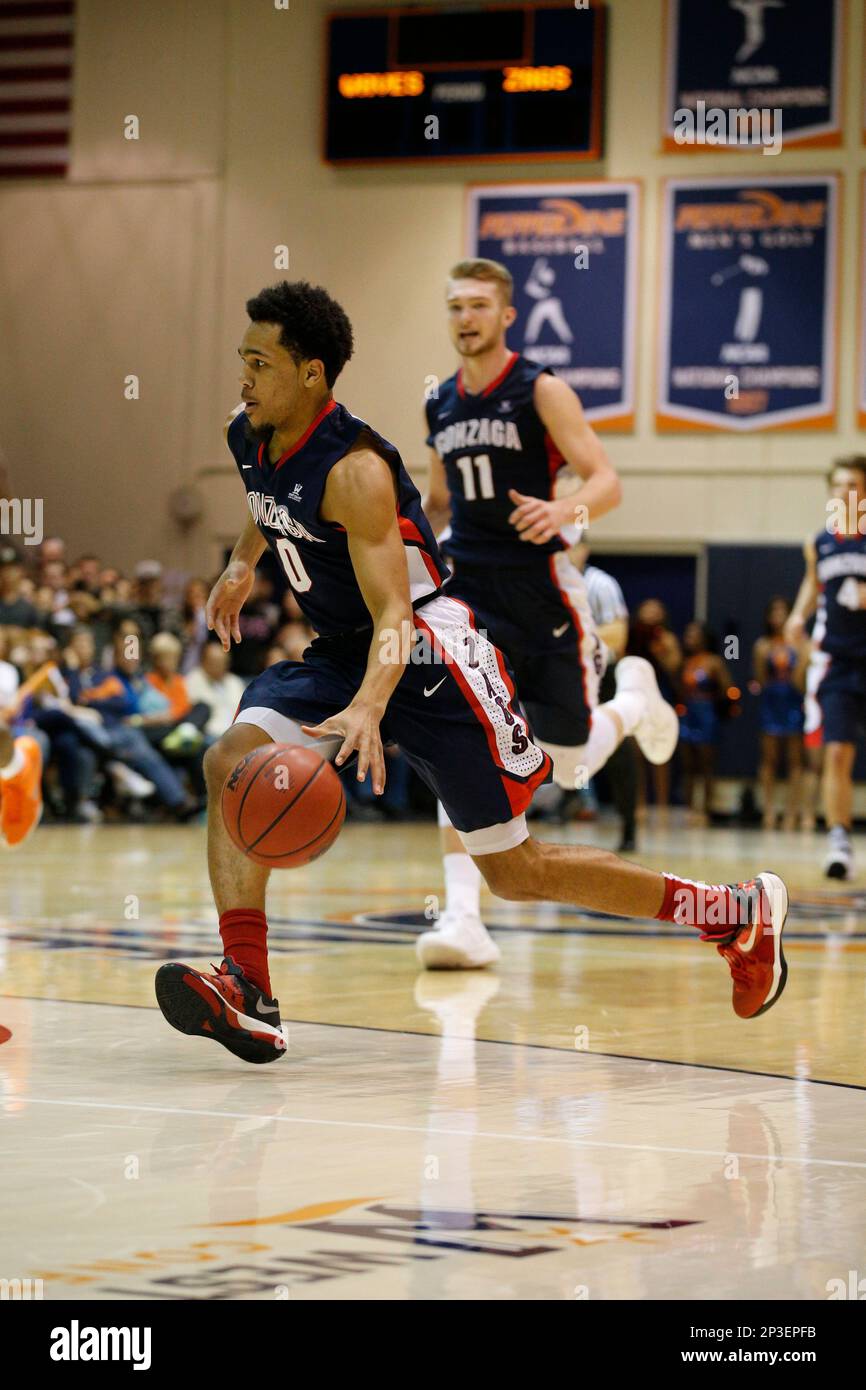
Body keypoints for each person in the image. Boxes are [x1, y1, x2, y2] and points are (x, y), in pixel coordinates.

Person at [152, 280, 789, 1066]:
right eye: (241, 359)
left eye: (260, 361)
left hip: (432, 654)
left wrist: (367, 709)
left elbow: (397, 617)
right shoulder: (248, 432)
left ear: (312, 373)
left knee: (516, 872)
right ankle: (249, 985)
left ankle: (732, 913)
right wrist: (240, 566)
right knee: (228, 759)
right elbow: (266, 494)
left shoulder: (356, 470)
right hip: (343, 649)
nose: (243, 376)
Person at [416, 258, 678, 968]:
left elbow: (607, 480)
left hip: (540, 589)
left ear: (506, 315)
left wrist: (568, 508)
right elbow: (437, 500)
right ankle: (464, 920)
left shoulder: (541, 388)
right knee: (460, 743)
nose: (464, 317)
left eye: (477, 305)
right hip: (469, 589)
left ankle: (630, 701)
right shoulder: (440, 403)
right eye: (454, 305)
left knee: (566, 769)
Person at [785, 456, 866, 878]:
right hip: (838, 660)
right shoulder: (820, 541)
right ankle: (839, 841)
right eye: (837, 485)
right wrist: (799, 615)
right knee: (836, 751)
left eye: (852, 483)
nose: (844, 492)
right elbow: (812, 583)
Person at [574, 544, 638, 852]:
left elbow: (618, 636)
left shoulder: (600, 584)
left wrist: (567, 636)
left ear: (583, 549)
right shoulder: (540, 580)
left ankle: (629, 827)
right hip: (559, 676)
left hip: (602, 675)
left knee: (619, 753)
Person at [752, 597, 806, 831]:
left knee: (795, 760)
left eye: (783, 611)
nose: (779, 616)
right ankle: (770, 809)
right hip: (772, 700)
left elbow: (802, 679)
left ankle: (792, 812)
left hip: (793, 699)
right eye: (774, 612)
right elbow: (759, 678)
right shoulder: (762, 645)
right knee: (769, 758)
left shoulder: (800, 643)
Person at [678, 621, 732, 824]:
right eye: (688, 633)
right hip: (688, 711)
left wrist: (721, 705)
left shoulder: (714, 662)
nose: (690, 637)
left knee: (706, 764)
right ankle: (689, 807)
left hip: (706, 712)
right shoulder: (685, 661)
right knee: (688, 765)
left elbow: (728, 687)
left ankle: (706, 808)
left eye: (695, 634)